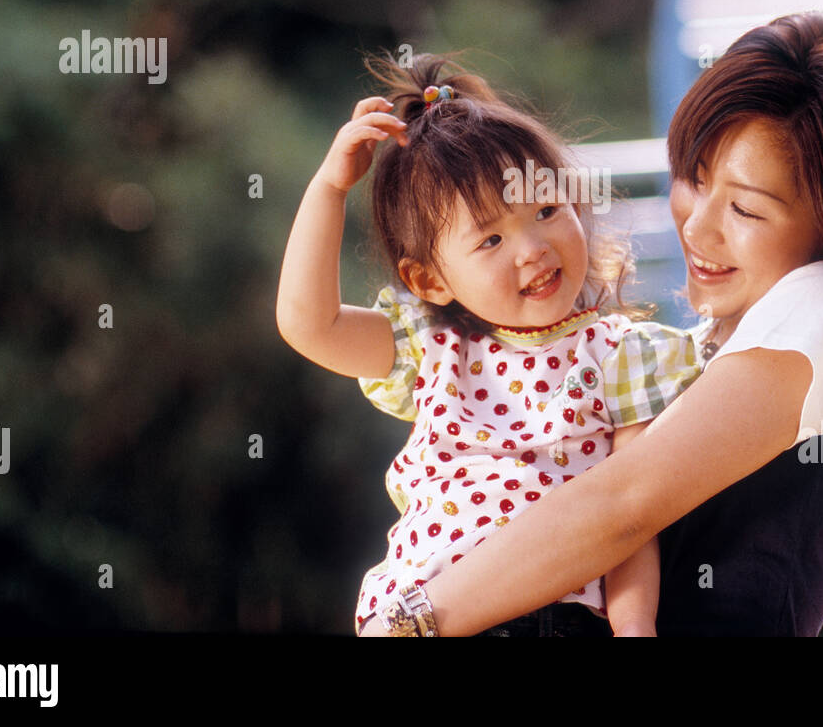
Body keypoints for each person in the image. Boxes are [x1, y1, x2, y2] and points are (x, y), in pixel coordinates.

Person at [358, 12, 823, 636]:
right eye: (694, 178)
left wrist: (405, 623)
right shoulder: (737, 335)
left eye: (745, 208)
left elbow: (620, 508)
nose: (696, 227)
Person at [275, 52, 701, 637]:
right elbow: (308, 324)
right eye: (492, 239)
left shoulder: (620, 353)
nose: (532, 248)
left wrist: (634, 630)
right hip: (420, 605)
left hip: (551, 613)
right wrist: (329, 188)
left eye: (547, 210)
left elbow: (633, 513)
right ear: (430, 280)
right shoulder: (429, 345)